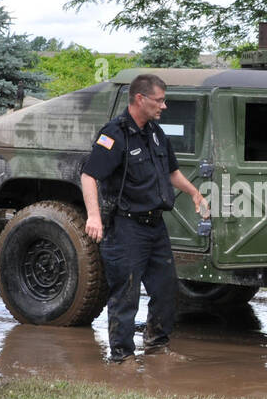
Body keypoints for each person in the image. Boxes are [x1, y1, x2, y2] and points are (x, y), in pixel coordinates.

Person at [81, 74, 209, 363]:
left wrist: (194, 193)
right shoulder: (114, 134)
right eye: (159, 100)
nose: (164, 106)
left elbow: (171, 172)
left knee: (166, 290)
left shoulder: (154, 132)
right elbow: (89, 175)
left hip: (155, 227)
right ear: (141, 99)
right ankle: (122, 358)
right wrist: (94, 217)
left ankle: (157, 347)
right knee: (126, 295)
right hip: (126, 228)